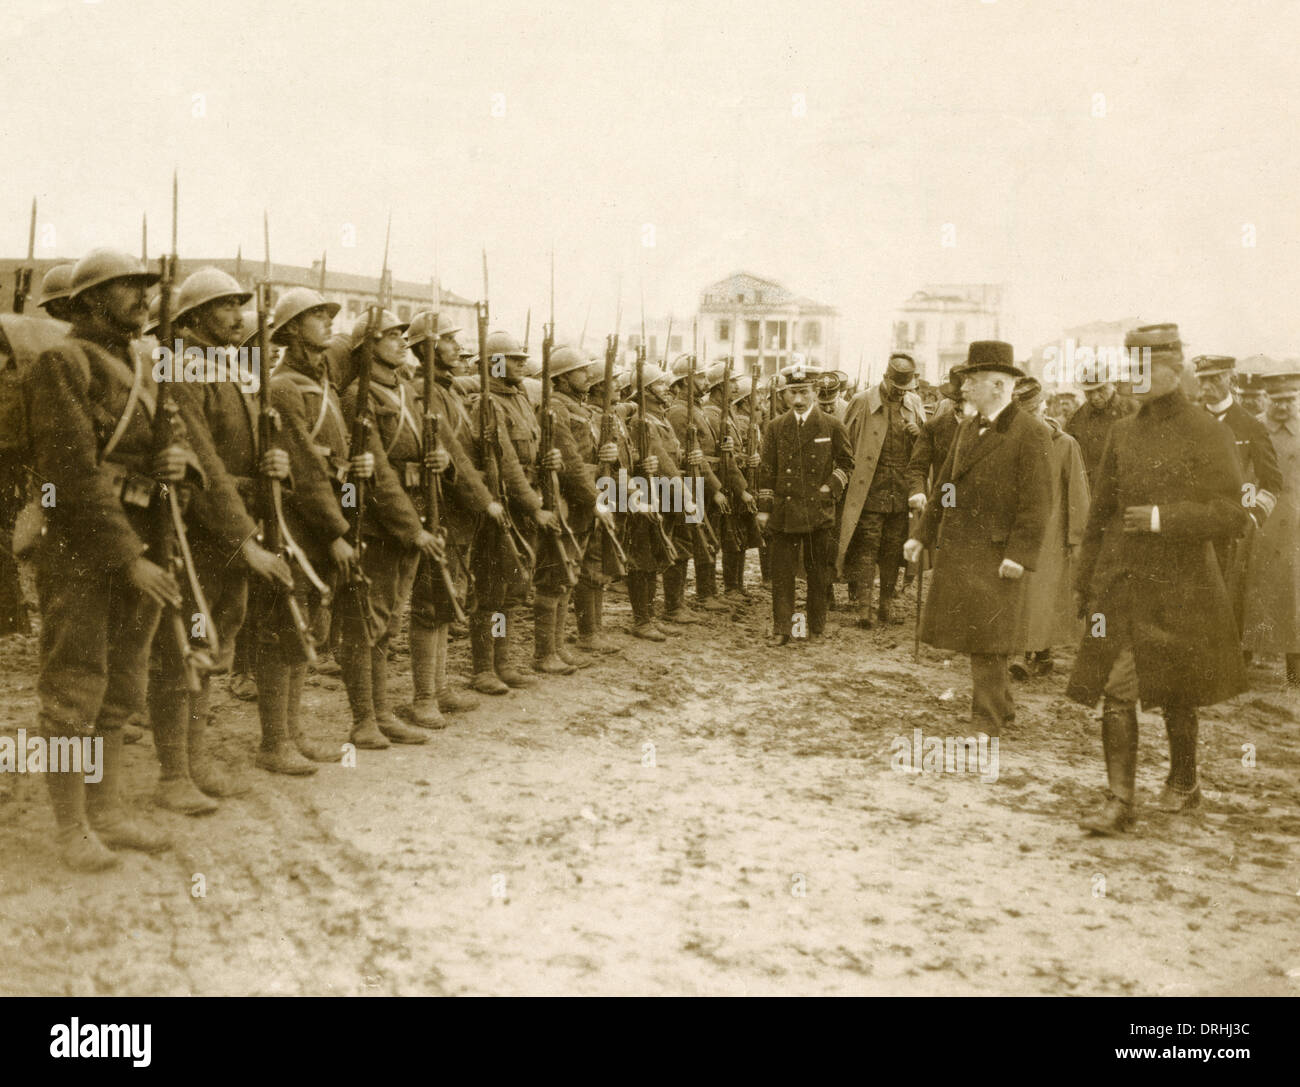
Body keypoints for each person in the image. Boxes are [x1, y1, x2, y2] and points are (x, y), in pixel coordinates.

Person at [23, 248, 191, 869]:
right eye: (128, 288)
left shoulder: (143, 364)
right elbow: (70, 473)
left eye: (147, 289)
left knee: (121, 684)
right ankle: (71, 827)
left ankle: (108, 812)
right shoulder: (61, 362)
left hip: (141, 542)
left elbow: (162, 457)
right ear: (91, 298)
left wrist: (181, 467)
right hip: (80, 551)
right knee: (73, 688)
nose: (143, 299)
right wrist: (127, 559)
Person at [1068, 325, 1250, 835]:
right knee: (1118, 687)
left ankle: (1184, 780)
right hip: (1124, 583)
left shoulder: (1206, 431)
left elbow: (1232, 513)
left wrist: (1161, 519)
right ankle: (1119, 801)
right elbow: (1102, 510)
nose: (1136, 378)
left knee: (1177, 692)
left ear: (1177, 369)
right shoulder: (1124, 431)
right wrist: (1084, 580)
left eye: (1147, 368)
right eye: (1133, 367)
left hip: (1183, 586)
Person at [148, 267, 293, 812]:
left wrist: (277, 468)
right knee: (186, 648)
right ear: (192, 316)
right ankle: (175, 773)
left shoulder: (228, 367)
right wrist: (245, 538)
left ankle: (193, 758)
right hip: (197, 532)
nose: (239, 316)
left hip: (229, 528)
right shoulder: (182, 366)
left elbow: (246, 448)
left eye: (241, 305)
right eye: (225, 306)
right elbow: (203, 463)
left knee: (213, 647)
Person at [903, 342, 1052, 735]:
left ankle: (986, 720)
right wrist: (923, 534)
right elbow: (946, 487)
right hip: (962, 548)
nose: (964, 389)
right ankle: (1001, 707)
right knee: (981, 633)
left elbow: (1037, 503)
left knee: (988, 636)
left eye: (972, 381)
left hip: (998, 553)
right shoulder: (969, 427)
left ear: (999, 386)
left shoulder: (1031, 432)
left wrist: (1020, 553)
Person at [339, 308, 451, 745]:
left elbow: (427, 449)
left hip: (415, 515)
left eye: (404, 335)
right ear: (368, 347)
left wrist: (441, 460)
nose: (403, 342)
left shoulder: (405, 391)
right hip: (378, 524)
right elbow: (380, 473)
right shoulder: (358, 396)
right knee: (368, 621)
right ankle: (365, 718)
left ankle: (382, 711)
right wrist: (412, 529)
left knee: (388, 623)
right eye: (391, 336)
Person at [403, 310, 502, 722]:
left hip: (458, 510)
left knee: (448, 597)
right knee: (430, 602)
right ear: (427, 347)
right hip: (436, 507)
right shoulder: (422, 392)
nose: (457, 347)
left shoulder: (447, 390)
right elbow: (452, 453)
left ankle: (440, 688)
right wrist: (484, 499)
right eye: (447, 340)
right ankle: (425, 696)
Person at [757, 362, 853, 646]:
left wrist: (829, 488)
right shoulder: (775, 427)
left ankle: (815, 628)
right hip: (784, 513)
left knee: (817, 574)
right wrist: (764, 508)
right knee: (783, 574)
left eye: (803, 392)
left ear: (815, 391)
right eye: (792, 393)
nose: (797, 400)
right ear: (784, 395)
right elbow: (767, 469)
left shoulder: (832, 425)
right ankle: (784, 629)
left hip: (817, 511)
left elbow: (847, 463)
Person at [1192, 354, 1282, 638]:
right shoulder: (1187, 421)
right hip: (1188, 523)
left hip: (1229, 528)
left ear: (1231, 379)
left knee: (1225, 602)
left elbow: (1272, 481)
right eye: (1203, 379)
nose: (1207, 385)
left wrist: (1253, 516)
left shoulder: (1250, 425)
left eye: (1215, 378)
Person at [1007, 376, 1090, 680]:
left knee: (1041, 596)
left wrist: (1076, 538)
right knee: (1017, 593)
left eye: (1032, 412)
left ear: (1042, 408)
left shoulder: (1065, 444)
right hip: (1016, 529)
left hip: (1051, 534)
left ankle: (1032, 655)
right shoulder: (1009, 441)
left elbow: (1078, 495)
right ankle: (1034, 654)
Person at [837, 353, 925, 628]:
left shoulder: (913, 405)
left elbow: (925, 452)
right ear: (886, 379)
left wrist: (917, 435)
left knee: (892, 550)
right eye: (897, 388)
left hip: (899, 492)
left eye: (905, 389)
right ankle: (864, 608)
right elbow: (845, 445)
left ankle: (885, 605)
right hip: (869, 491)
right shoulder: (862, 401)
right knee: (867, 548)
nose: (901, 393)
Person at [1242, 370, 1300, 688]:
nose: (1282, 407)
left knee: (1294, 593)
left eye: (1288, 400)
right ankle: (1245, 654)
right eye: (1277, 400)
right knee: (1254, 585)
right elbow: (1246, 472)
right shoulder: (1257, 428)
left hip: (1295, 519)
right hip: (1262, 515)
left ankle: (1295, 664)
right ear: (1268, 401)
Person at [1066, 376, 1137, 486]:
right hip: (1092, 487)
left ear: (1113, 385)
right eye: (1089, 392)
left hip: (1126, 484)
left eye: (1101, 389)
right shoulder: (1077, 417)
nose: (1095, 397)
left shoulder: (1132, 409)